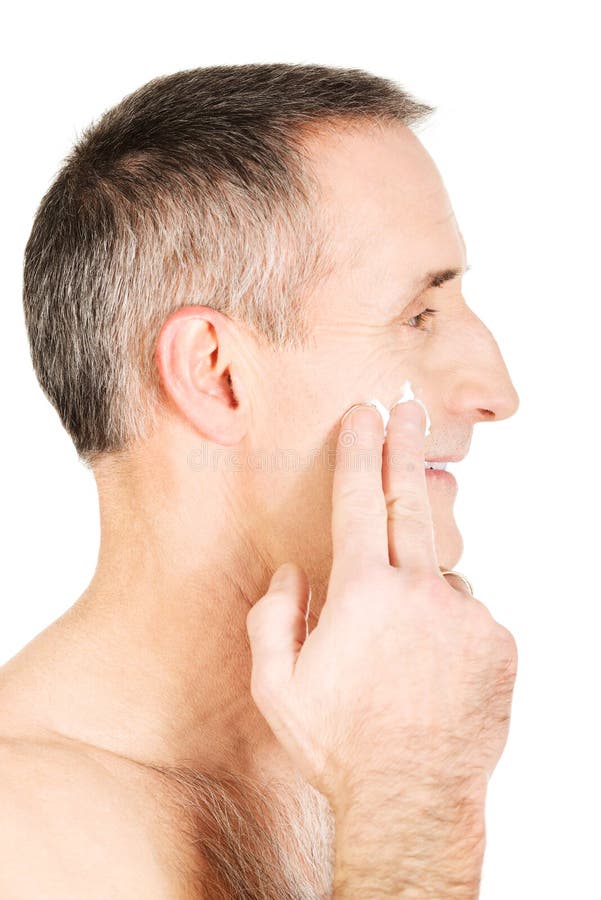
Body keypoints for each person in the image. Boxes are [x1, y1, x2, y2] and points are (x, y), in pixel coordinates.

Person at [0, 63, 519, 897]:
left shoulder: (347, 757)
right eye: (417, 315)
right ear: (215, 374)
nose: (495, 396)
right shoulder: (22, 839)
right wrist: (414, 803)